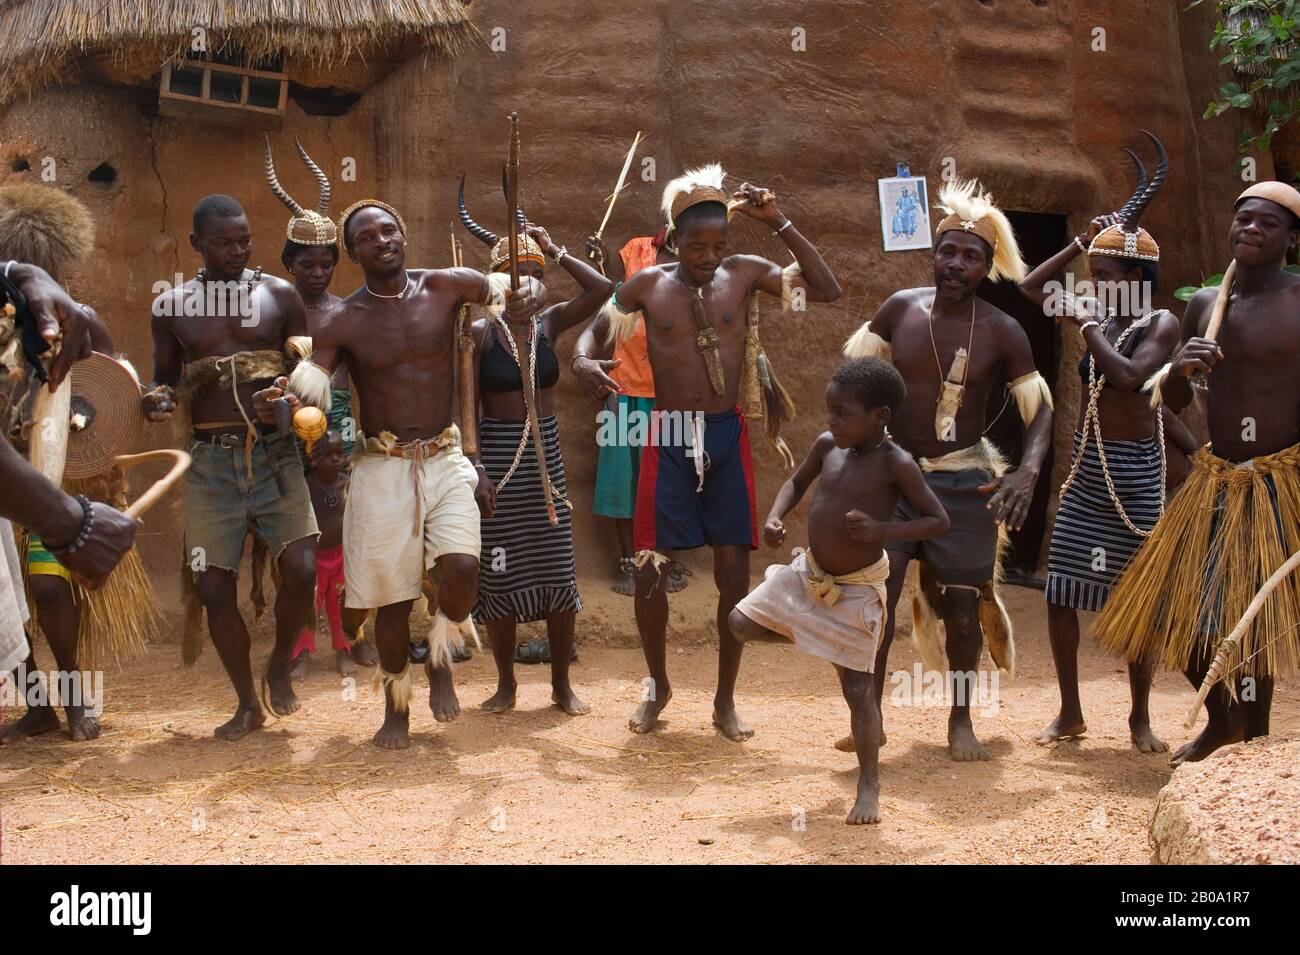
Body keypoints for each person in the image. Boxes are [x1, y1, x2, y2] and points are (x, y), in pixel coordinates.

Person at [571, 163, 842, 740]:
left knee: (730, 573)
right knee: (649, 569)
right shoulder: (648, 285)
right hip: (666, 435)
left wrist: (779, 222)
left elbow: (825, 289)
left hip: (724, 435)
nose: (709, 255)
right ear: (673, 238)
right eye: (698, 245)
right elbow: (595, 330)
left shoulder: (743, 274)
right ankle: (658, 686)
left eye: (719, 243)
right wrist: (582, 361)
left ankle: (724, 699)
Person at [268, 198, 544, 749]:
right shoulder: (345, 319)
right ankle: (397, 708)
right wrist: (284, 397)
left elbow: (520, 294)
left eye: (388, 230)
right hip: (382, 467)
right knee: (392, 601)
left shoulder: (447, 286)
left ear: (403, 235)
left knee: (463, 567)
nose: (381, 241)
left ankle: (440, 654)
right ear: (353, 252)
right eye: (367, 238)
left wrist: (529, 294)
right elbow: (313, 385)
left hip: (445, 458)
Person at [841, 178, 1053, 761]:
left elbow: (1041, 414)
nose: (957, 264)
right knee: (875, 600)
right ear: (933, 254)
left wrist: (1026, 473)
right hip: (894, 476)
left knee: (963, 606)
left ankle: (961, 720)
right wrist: (849, 458)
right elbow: (851, 387)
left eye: (971, 256)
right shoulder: (899, 309)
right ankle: (872, 716)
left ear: (986, 267)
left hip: (963, 480)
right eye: (949, 252)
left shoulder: (1003, 330)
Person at [1094, 180, 1300, 764]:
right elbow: (1174, 403)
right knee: (1165, 608)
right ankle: (1224, 720)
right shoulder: (1208, 304)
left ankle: (1253, 749)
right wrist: (1179, 371)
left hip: (1282, 478)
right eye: (1243, 221)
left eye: (1267, 223)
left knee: (1254, 622)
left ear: (1291, 238)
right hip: (1216, 476)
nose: (1251, 231)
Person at [731, 357, 949, 823]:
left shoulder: (897, 464)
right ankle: (816, 636)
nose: (831, 421)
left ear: (880, 417)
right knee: (739, 623)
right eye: (830, 410)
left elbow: (938, 520)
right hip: (809, 573)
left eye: (842, 413)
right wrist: (775, 515)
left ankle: (868, 785)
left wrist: (881, 529)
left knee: (857, 689)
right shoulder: (828, 445)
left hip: (856, 591)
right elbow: (796, 481)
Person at [1017, 144, 1179, 752]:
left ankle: (1139, 717)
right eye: (1096, 280)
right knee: (1061, 589)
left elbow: (1130, 380)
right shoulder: (1096, 313)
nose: (1097, 288)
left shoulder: (1158, 324)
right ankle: (1070, 713)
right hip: (1090, 471)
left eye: (1109, 280)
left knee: (1136, 598)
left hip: (1136, 473)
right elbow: (1032, 285)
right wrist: (1083, 244)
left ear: (1139, 282)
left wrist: (1086, 323)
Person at [142, 194, 318, 740]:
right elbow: (165, 379)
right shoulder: (171, 307)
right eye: (223, 243)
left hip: (275, 456)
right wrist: (156, 400)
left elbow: (310, 378)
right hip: (209, 463)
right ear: (196, 243)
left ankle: (277, 667)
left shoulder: (280, 295)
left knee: (303, 571)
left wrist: (287, 402)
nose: (237, 250)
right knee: (214, 587)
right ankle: (247, 702)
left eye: (244, 239)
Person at [0, 183, 156, 742]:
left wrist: (122, 409)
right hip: (10, 483)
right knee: (8, 607)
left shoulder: (77, 320)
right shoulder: (3, 321)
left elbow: (112, 390)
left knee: (50, 595)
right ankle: (37, 704)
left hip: (61, 478)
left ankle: (76, 702)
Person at [458, 190, 611, 712]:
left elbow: (604, 288)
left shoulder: (549, 325)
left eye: (532, 272)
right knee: (499, 570)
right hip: (498, 461)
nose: (522, 283)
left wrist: (555, 247)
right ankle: (505, 684)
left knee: (554, 568)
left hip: (545, 456)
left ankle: (562, 686)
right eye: (511, 273)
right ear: (495, 283)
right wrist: (475, 467)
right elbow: (467, 406)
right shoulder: (477, 334)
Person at [266, 137, 377, 668]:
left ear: (337, 262)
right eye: (306, 263)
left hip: (342, 431)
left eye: (326, 263)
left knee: (350, 529)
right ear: (289, 262)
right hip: (287, 429)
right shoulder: (274, 314)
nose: (317, 272)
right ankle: (299, 636)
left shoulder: (346, 312)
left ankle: (354, 633)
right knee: (295, 532)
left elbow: (357, 378)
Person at [584, 228, 687, 596]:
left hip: (669, 396)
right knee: (622, 483)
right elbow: (610, 309)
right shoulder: (637, 251)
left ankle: (664, 560)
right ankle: (628, 563)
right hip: (623, 388)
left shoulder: (695, 271)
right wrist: (598, 261)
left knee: (669, 484)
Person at [289, 431, 368, 680]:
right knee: (307, 608)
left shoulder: (348, 483)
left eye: (339, 454)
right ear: (312, 459)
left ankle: (343, 650)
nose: (336, 459)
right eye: (328, 455)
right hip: (314, 558)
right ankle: (302, 655)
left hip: (341, 557)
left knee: (337, 606)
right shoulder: (306, 487)